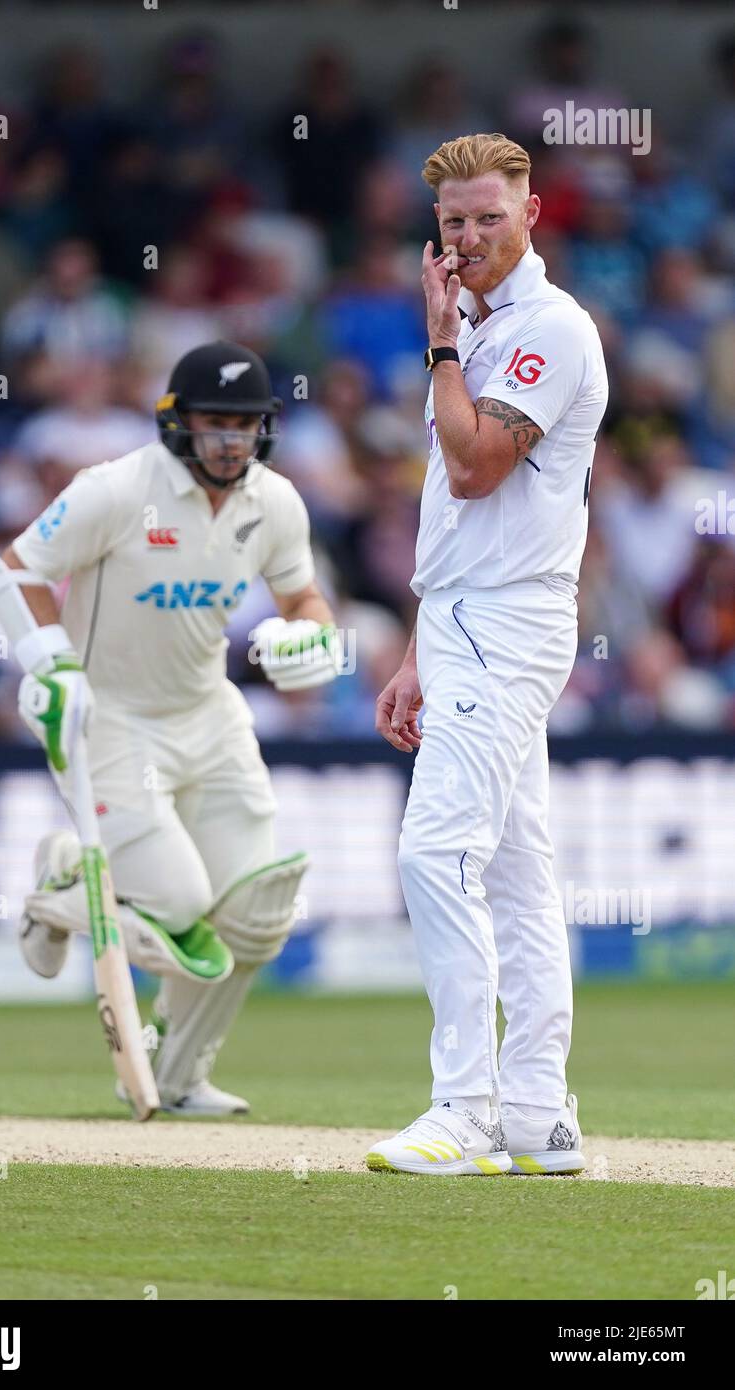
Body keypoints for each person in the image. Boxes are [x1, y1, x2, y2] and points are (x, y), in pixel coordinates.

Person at [0, 341, 341, 1114]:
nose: (228, 442)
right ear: (177, 423)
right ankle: (62, 884)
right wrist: (53, 666)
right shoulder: (115, 490)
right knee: (180, 908)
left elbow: (305, 599)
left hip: (208, 715)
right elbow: (15, 568)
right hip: (111, 718)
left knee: (256, 914)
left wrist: (314, 637)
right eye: (214, 423)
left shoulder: (274, 502)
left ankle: (178, 1078)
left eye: (243, 426)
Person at [368, 134, 608, 1176]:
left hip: (508, 621)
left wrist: (434, 344)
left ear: (530, 215)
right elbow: (453, 520)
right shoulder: (483, 323)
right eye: (450, 222)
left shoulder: (544, 330)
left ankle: (461, 1109)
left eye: (485, 218)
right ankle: (536, 1114)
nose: (464, 237)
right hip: (466, 613)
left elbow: (471, 471)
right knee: (513, 868)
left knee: (435, 852)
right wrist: (418, 645)